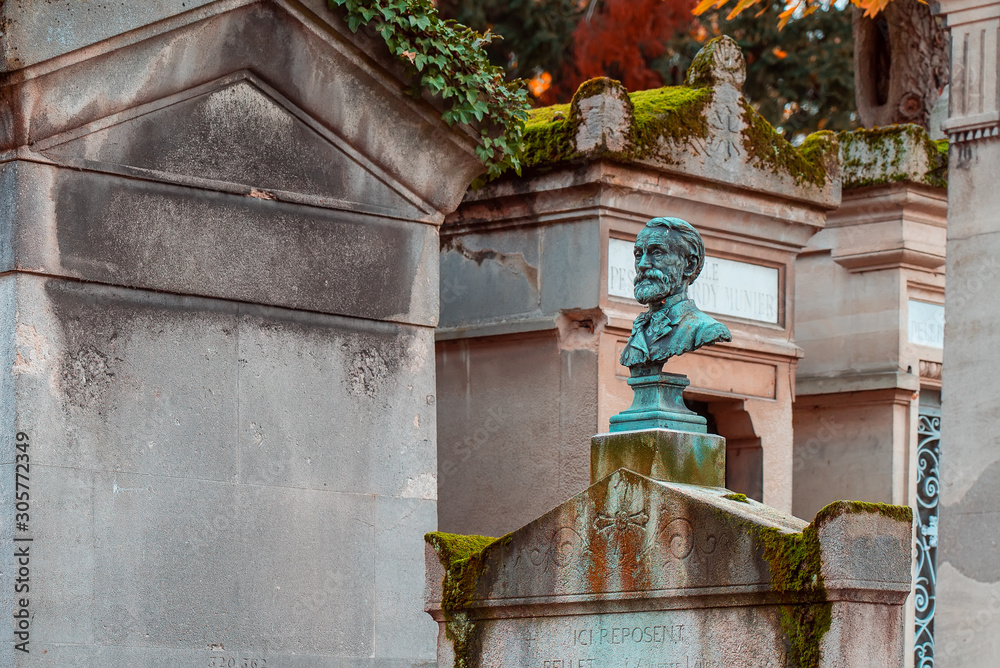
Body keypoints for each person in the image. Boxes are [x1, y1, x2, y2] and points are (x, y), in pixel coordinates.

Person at [619, 217, 732, 371]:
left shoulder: (704, 330)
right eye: (639, 254)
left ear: (689, 265)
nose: (642, 264)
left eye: (657, 253)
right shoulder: (641, 328)